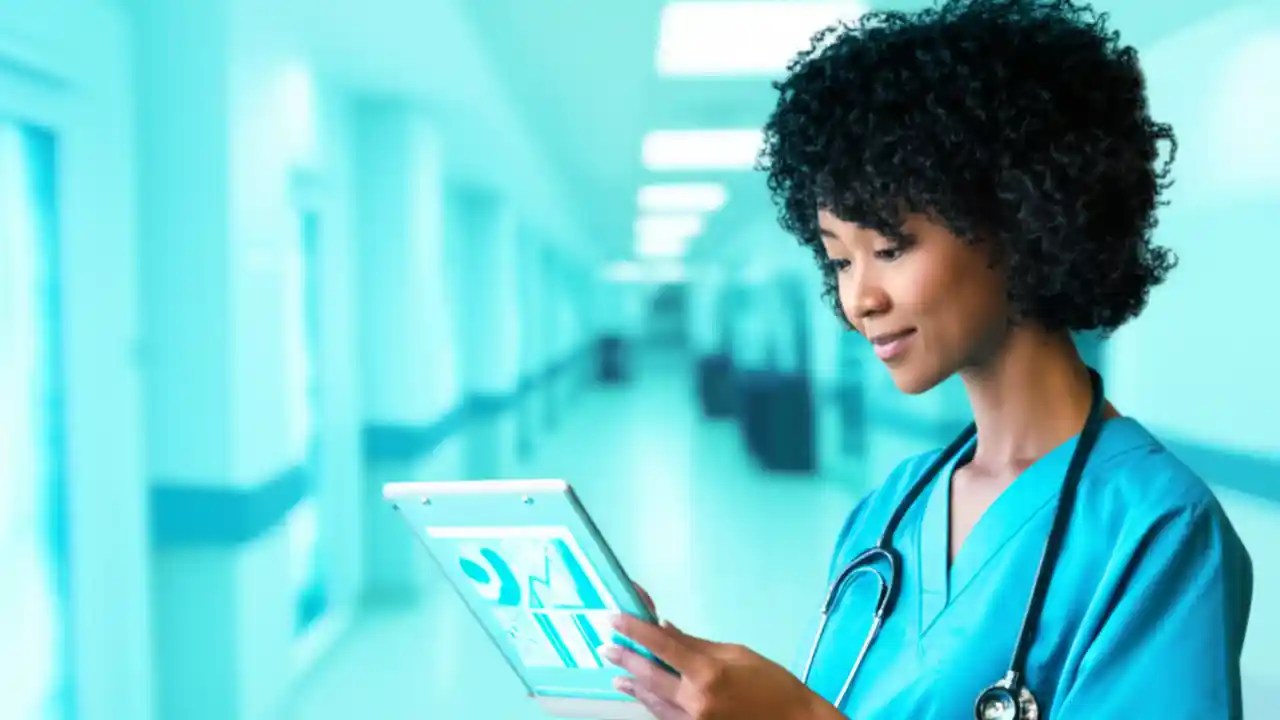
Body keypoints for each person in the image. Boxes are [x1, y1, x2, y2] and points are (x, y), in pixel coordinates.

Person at [603, 0, 1254, 717]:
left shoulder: (1156, 530)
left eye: (889, 249)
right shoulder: (889, 511)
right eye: (839, 260)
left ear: (1018, 221)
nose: (859, 300)